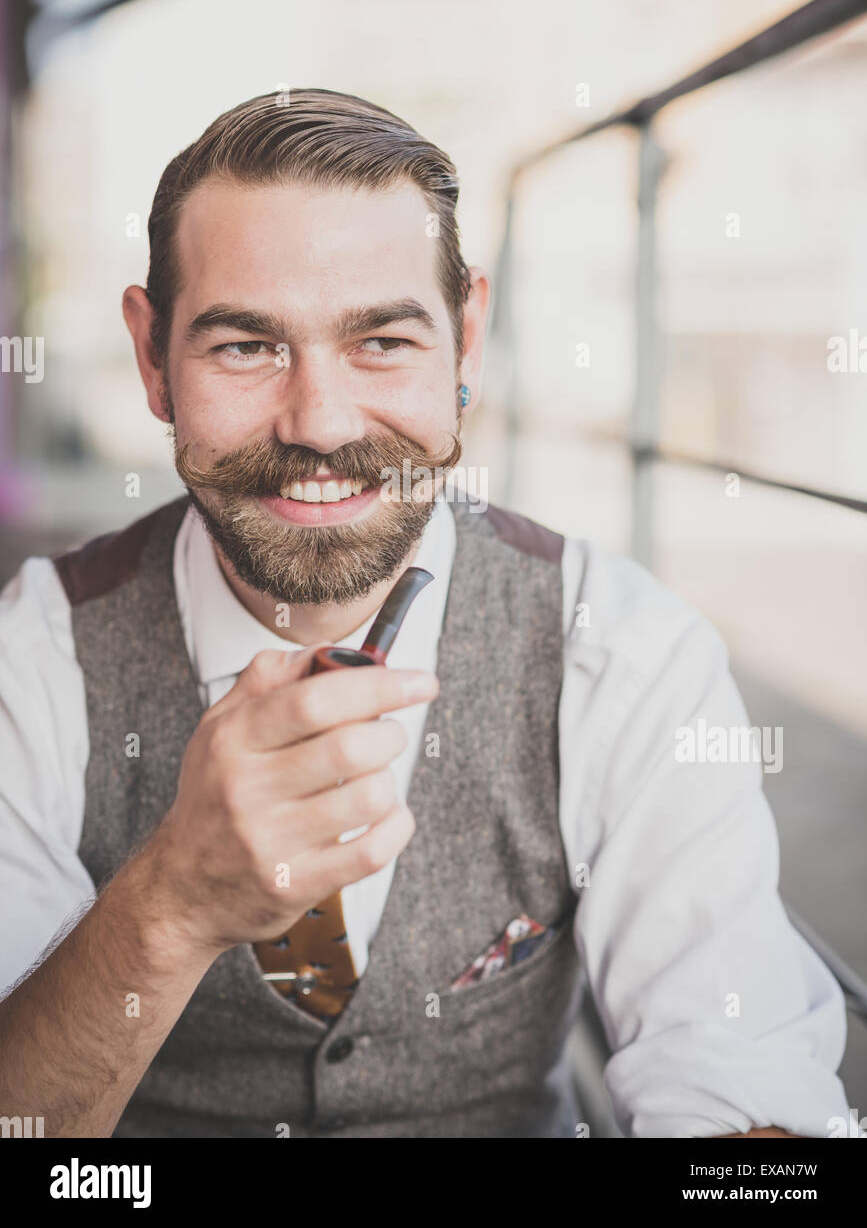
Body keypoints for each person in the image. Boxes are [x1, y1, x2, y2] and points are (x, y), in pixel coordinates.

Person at [0, 89, 850, 1138]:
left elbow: (747, 1091)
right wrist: (169, 907)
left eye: (383, 342)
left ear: (468, 343)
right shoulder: (32, 657)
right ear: (151, 360)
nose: (319, 424)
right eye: (244, 347)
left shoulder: (623, 651)